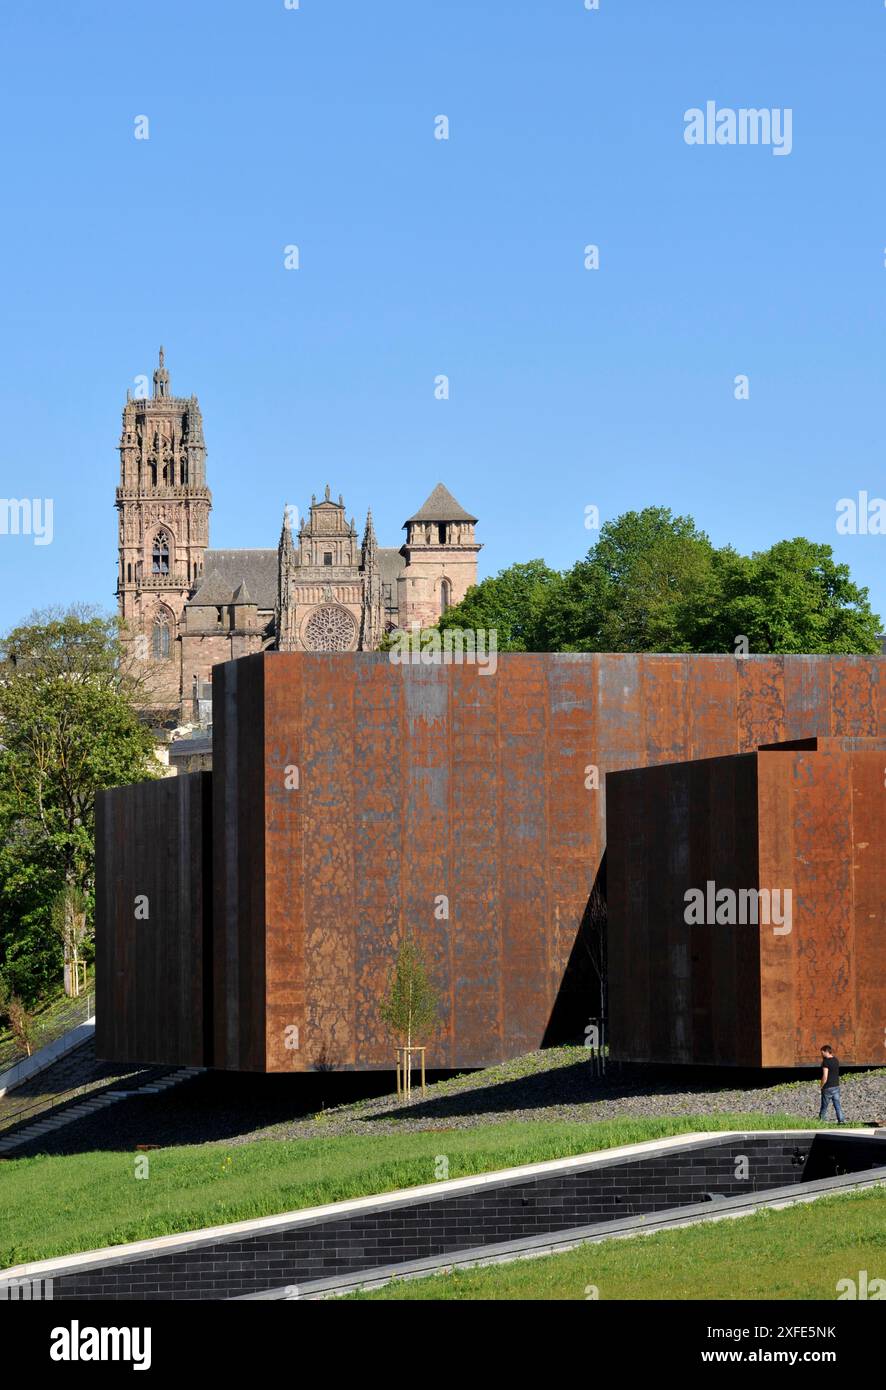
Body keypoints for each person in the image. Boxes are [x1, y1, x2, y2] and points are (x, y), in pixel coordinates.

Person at [818, 1044, 845, 1124]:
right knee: (837, 1105)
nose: (821, 1054)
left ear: (826, 1052)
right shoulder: (836, 1060)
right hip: (836, 1086)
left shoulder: (825, 1062)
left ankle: (821, 1120)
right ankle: (841, 1120)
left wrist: (821, 1086)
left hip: (827, 1087)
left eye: (822, 1052)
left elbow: (825, 1076)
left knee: (824, 1106)